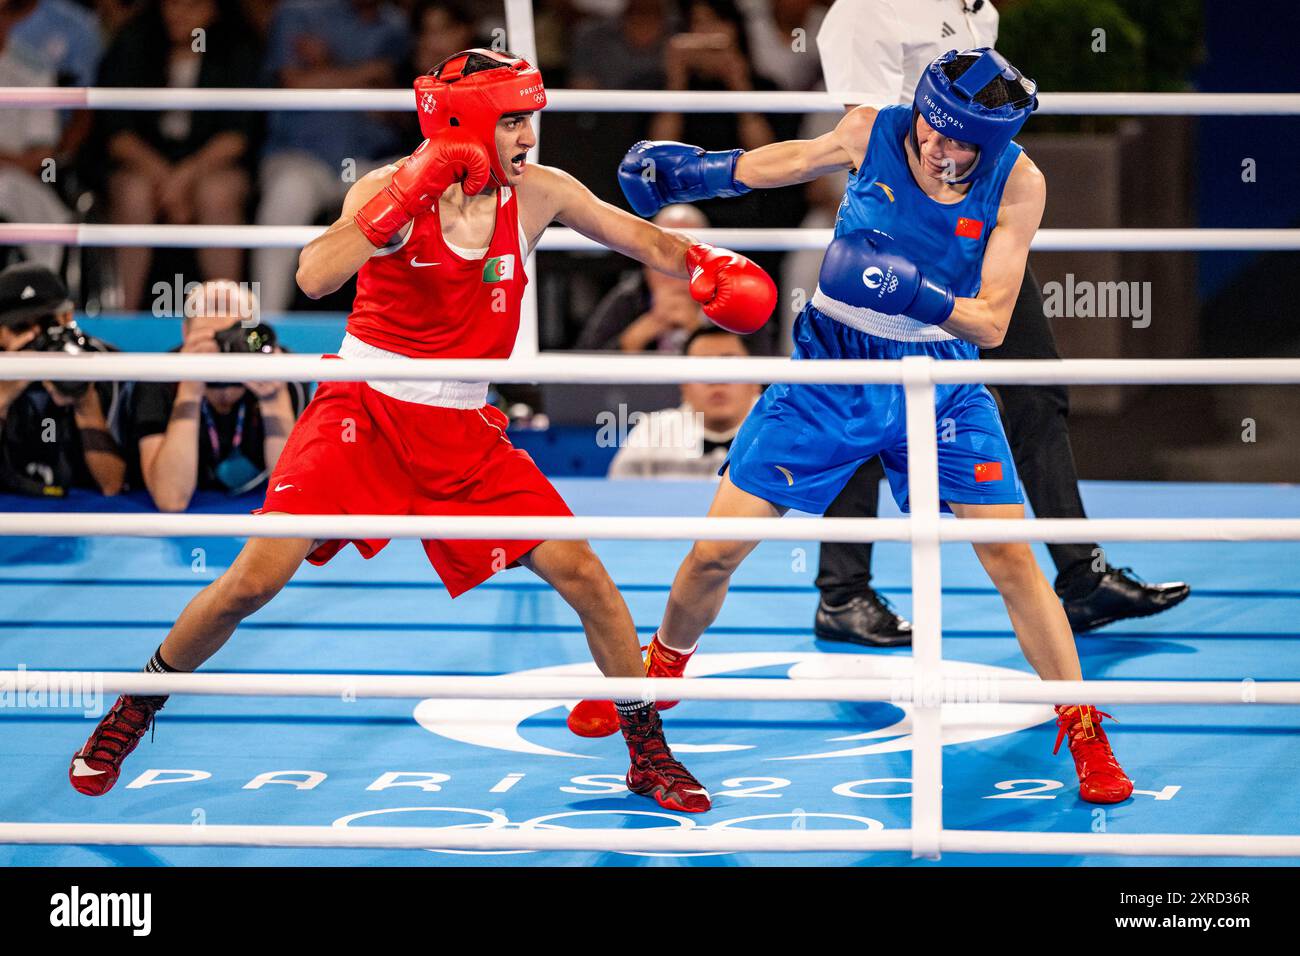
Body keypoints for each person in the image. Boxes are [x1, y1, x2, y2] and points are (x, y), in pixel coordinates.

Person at [69, 49, 778, 814]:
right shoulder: (386, 187)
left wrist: (707, 263)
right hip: (361, 412)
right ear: (466, 122)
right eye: (511, 120)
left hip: (465, 424)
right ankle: (133, 708)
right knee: (251, 581)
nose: (526, 136)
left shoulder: (538, 192)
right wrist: (398, 202)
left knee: (587, 579)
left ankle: (647, 755)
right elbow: (313, 277)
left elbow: (643, 241)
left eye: (528, 118)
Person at [571, 48, 1134, 804]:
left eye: (960, 140)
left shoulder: (1020, 181)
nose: (937, 148)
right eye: (933, 130)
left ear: (993, 143)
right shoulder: (874, 130)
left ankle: (1085, 727)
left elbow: (995, 321)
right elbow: (787, 163)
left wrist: (911, 292)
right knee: (714, 551)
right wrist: (699, 172)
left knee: (1010, 556)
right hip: (829, 373)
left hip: (941, 383)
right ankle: (661, 669)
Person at [811, 0, 1188, 643]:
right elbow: (863, 141)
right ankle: (842, 594)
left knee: (1035, 389)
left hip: (976, 229)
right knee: (868, 407)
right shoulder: (866, 11)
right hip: (900, 241)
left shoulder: (974, 9)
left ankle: (1081, 576)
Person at [128, 281, 304, 511]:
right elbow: (171, 499)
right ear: (186, 334)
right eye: (212, 337)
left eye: (234, 333)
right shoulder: (159, 378)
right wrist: (189, 390)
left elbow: (293, 495)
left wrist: (274, 400)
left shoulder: (285, 372)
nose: (224, 349)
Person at [0, 262, 126, 496]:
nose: (35, 337)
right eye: (20, 327)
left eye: (47, 325)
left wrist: (85, 404)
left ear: (67, 317)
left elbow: (111, 484)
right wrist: (6, 392)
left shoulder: (106, 364)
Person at [607, 326, 761, 478]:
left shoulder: (783, 434)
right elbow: (617, 497)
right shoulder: (650, 432)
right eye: (702, 368)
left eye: (730, 366)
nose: (717, 379)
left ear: (755, 381)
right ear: (684, 386)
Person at [575, 204, 711, 353]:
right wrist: (635, 338)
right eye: (665, 254)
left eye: (686, 260)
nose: (673, 273)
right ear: (646, 265)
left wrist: (698, 332)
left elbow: (736, 363)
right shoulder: (629, 297)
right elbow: (585, 362)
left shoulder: (728, 293)